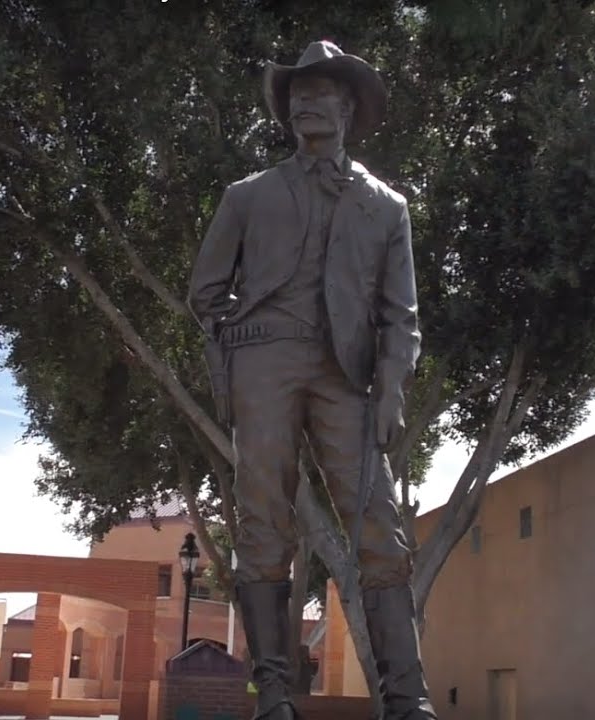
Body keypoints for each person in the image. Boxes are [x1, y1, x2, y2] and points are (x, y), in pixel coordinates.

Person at [188, 40, 437, 720]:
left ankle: (407, 699)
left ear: (347, 107)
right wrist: (239, 354)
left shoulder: (387, 207)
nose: (304, 102)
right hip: (263, 364)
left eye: (320, 92)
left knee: (379, 528)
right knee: (263, 524)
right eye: (296, 95)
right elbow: (206, 293)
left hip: (345, 379)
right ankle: (272, 694)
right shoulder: (248, 196)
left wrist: (391, 389)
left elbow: (401, 314)